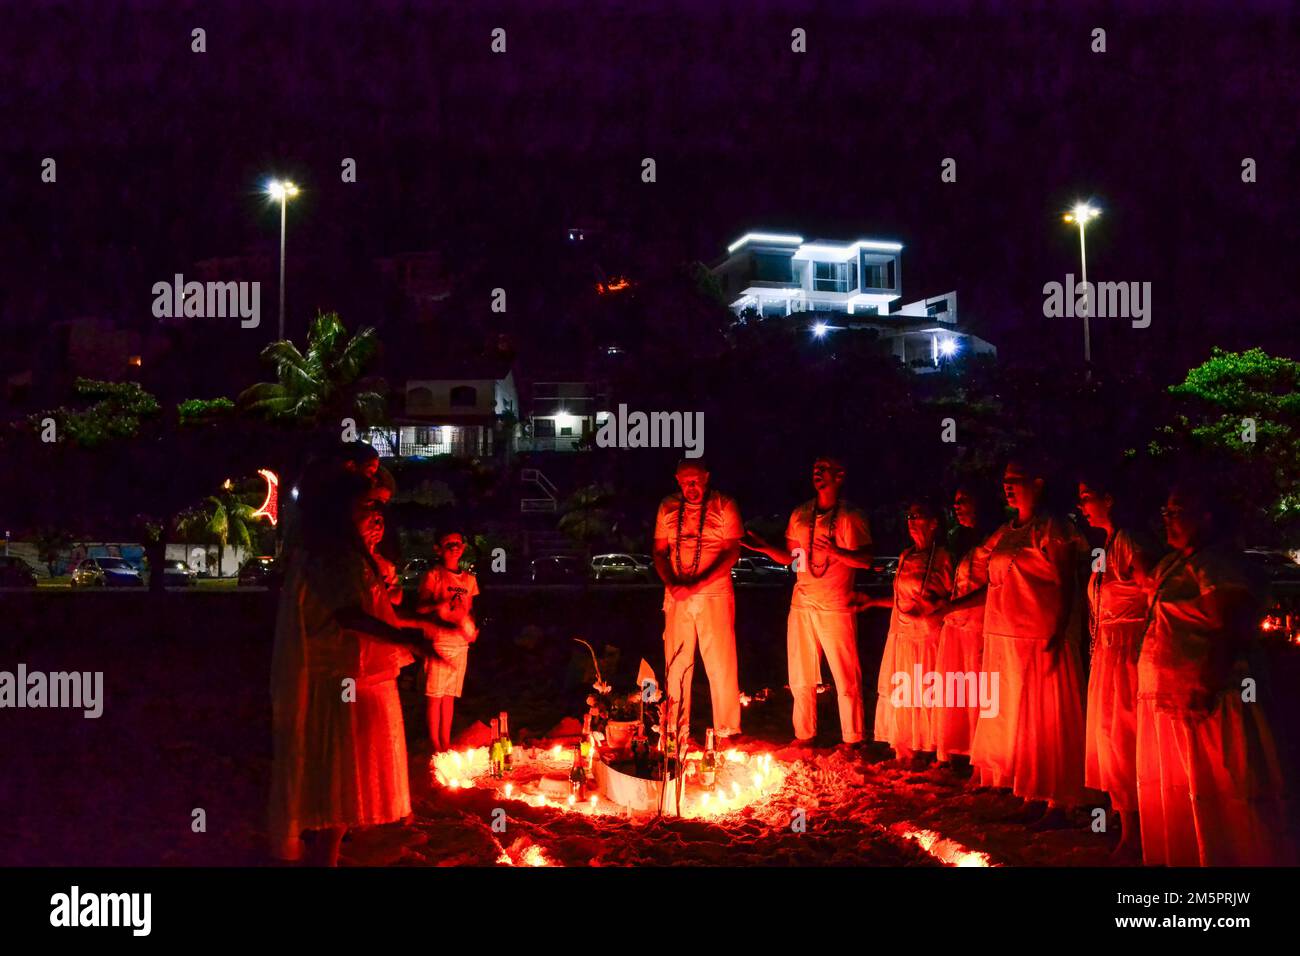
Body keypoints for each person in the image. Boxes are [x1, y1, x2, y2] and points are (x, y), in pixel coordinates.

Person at [268, 468, 440, 866]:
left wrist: (428, 623)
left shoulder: (356, 558)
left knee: (346, 797)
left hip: (365, 679)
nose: (379, 514)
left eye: (382, 506)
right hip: (343, 685)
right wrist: (407, 638)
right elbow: (350, 616)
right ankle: (324, 857)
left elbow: (377, 610)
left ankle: (330, 853)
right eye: (369, 505)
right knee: (339, 791)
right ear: (339, 510)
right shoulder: (331, 558)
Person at [1136, 482, 1292, 866]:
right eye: (1165, 512)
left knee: (1222, 790)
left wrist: (1204, 684)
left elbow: (1230, 627)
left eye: (1178, 511)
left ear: (1206, 516)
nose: (1168, 520)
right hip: (1174, 699)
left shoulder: (1219, 563)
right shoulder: (1178, 562)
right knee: (1184, 792)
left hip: (1211, 701)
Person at [967, 455, 1088, 830]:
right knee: (1017, 717)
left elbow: (1069, 581)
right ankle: (1029, 791)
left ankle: (1058, 799)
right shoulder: (1007, 531)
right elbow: (991, 580)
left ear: (1038, 482)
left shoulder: (1053, 527)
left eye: (1017, 478)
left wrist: (1061, 628)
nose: (1008, 484)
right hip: (1006, 634)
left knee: (1045, 716)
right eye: (1005, 478)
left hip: (1039, 634)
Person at [743, 455, 873, 747]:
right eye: (815, 468)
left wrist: (839, 553)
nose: (818, 472)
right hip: (802, 601)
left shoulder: (851, 516)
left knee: (844, 672)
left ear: (840, 476)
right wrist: (764, 548)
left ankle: (853, 738)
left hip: (836, 603)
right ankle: (804, 734)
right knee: (800, 671)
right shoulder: (800, 514)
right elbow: (794, 561)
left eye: (825, 468)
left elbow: (866, 560)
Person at [1077, 472, 1157, 858]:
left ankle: (1137, 831)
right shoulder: (1105, 544)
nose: (1081, 505)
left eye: (1087, 496)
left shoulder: (1128, 540)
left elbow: (1152, 586)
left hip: (1127, 649)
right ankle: (1121, 817)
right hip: (1107, 650)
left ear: (1110, 499)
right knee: (1110, 734)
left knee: (1124, 735)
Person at [652, 459, 743, 744]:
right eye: (685, 481)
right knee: (677, 661)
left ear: (707, 477)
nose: (691, 487)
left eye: (696, 480)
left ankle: (727, 729)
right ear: (677, 480)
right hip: (678, 594)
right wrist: (673, 584)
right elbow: (659, 551)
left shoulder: (724, 504)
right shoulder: (667, 506)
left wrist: (700, 583)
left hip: (714, 593)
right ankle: (675, 731)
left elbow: (731, 552)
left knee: (720, 660)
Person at [859, 497, 954, 763]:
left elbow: (951, 599)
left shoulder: (944, 557)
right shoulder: (905, 555)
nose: (911, 522)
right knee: (902, 691)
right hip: (901, 634)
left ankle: (931, 748)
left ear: (934, 523)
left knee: (925, 691)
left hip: (927, 637)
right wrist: (873, 602)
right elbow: (901, 600)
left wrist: (935, 604)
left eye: (918, 516)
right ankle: (905, 748)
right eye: (909, 517)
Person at [932, 484, 992, 769]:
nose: (957, 506)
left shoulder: (994, 538)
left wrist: (954, 606)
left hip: (978, 623)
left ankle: (982, 758)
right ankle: (959, 751)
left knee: (979, 690)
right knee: (956, 689)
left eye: (963, 500)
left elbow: (994, 587)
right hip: (956, 623)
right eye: (955, 501)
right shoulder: (959, 538)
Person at [416, 531, 480, 754]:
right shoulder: (434, 575)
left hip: (460, 643)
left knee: (450, 695)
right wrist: (439, 606)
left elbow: (469, 609)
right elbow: (420, 608)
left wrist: (471, 627)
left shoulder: (469, 579)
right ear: (439, 549)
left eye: (458, 543)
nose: (455, 547)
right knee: (435, 695)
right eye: (449, 543)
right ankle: (434, 744)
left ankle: (446, 741)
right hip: (439, 642)